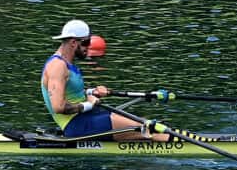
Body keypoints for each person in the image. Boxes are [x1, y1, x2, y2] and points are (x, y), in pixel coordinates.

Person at [41, 20, 170, 141]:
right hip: (76, 125)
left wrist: (91, 92)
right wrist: (89, 105)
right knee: (146, 129)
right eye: (86, 43)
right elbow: (58, 107)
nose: (88, 47)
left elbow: (72, 93)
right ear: (73, 42)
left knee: (144, 123)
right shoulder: (57, 66)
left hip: (86, 117)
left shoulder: (67, 63)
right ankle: (181, 144)